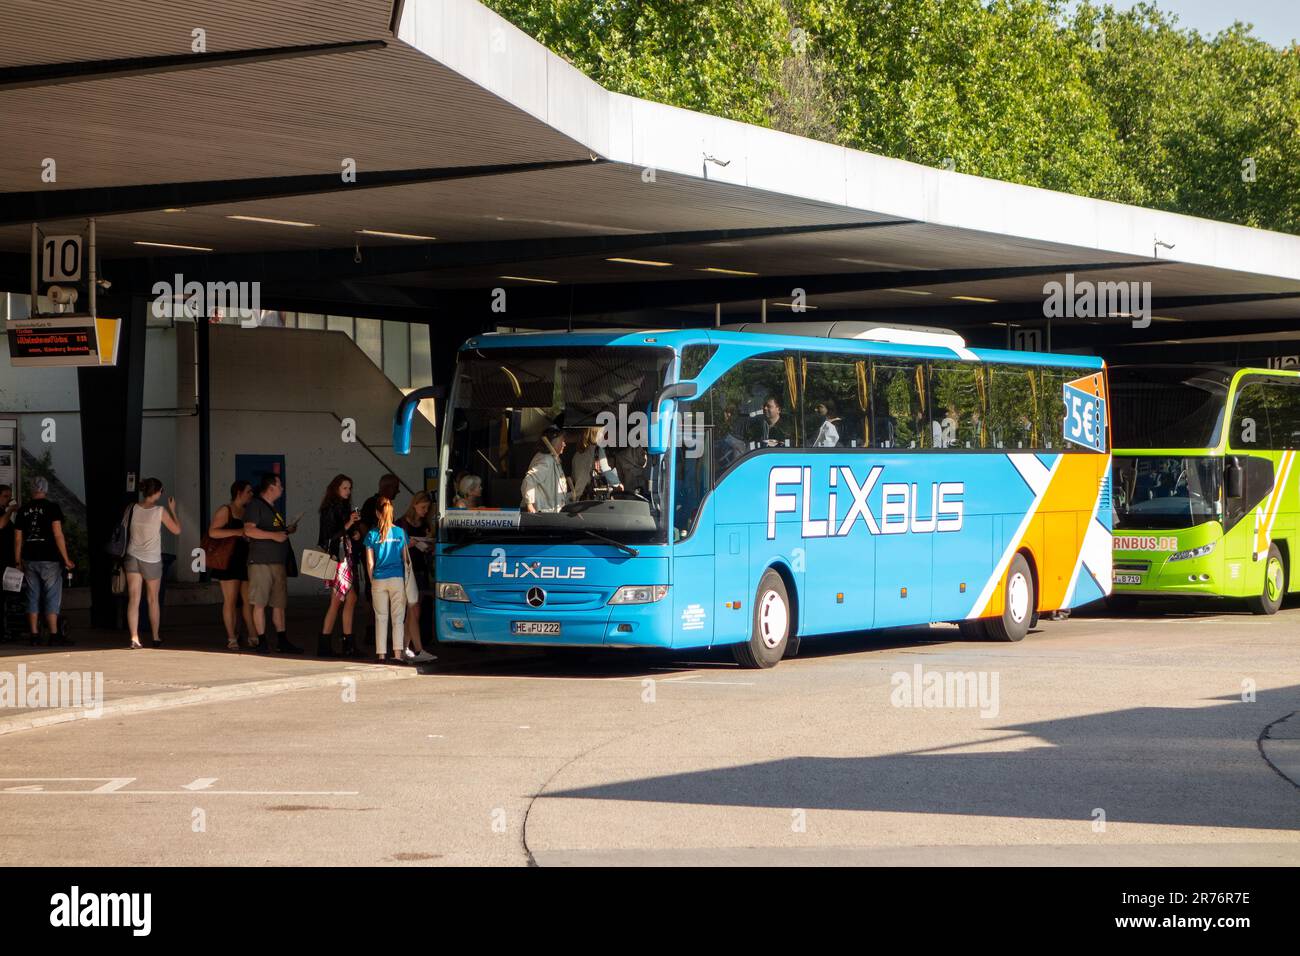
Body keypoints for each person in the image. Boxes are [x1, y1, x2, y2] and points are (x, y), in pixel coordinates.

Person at [243, 473, 302, 654]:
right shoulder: (255, 506)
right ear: (271, 487)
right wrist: (274, 536)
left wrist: (286, 530)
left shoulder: (273, 509)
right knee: (259, 602)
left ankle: (281, 640)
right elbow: (249, 530)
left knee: (279, 603)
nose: (282, 489)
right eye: (279, 485)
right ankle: (261, 640)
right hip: (261, 562)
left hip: (278, 562)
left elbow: (273, 531)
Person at [13, 477, 75, 647]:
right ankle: (54, 634)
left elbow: (18, 538)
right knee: (51, 595)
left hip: (29, 558)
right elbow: (58, 534)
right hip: (50, 558)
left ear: (31, 489)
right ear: (45, 489)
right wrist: (66, 558)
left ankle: (34, 635)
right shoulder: (52, 508)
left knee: (32, 595)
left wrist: (18, 560)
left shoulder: (23, 510)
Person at [123, 478, 182, 649]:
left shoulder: (131, 508)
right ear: (156, 492)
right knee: (153, 599)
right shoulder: (160, 511)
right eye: (161, 491)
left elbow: (125, 529)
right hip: (152, 559)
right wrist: (173, 511)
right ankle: (155, 637)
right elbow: (177, 530)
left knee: (133, 599)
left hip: (132, 556)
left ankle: (134, 637)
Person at [317, 473, 363, 657]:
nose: (348, 491)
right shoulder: (329, 508)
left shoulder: (345, 507)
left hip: (346, 557)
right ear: (336, 488)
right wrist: (349, 524)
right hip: (337, 559)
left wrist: (355, 532)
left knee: (351, 599)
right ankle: (325, 643)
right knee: (337, 601)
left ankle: (347, 641)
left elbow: (346, 531)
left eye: (349, 488)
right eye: (344, 487)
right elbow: (329, 536)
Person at [207, 480, 255, 651]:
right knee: (231, 600)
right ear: (239, 492)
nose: (252, 494)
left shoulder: (247, 511)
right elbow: (213, 531)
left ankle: (251, 634)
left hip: (245, 559)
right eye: (249, 491)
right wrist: (237, 532)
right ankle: (231, 637)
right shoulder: (225, 510)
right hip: (228, 560)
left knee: (247, 601)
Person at [364, 496, 411, 664]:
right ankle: (397, 654)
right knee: (398, 618)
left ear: (377, 513)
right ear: (392, 513)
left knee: (380, 617)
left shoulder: (371, 534)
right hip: (397, 578)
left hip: (379, 579)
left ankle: (381, 655)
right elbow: (405, 559)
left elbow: (370, 562)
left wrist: (372, 581)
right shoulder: (400, 533)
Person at [397, 493, 437, 664]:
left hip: (420, 568)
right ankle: (415, 648)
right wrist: (409, 544)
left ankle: (405, 647)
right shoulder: (401, 524)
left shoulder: (424, 524)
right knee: (414, 610)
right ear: (414, 505)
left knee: (413, 611)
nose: (425, 511)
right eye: (423, 508)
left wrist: (429, 543)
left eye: (427, 508)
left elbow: (430, 544)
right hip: (406, 568)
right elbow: (395, 547)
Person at [521, 426, 571, 513]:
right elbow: (529, 480)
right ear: (553, 442)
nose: (564, 444)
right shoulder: (546, 460)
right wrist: (530, 504)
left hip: (550, 513)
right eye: (562, 441)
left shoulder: (553, 460)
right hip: (542, 514)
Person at [571, 425, 623, 500]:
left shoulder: (577, 454)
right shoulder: (598, 450)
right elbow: (605, 470)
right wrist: (617, 484)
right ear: (595, 434)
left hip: (579, 495)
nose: (604, 435)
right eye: (602, 432)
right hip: (591, 498)